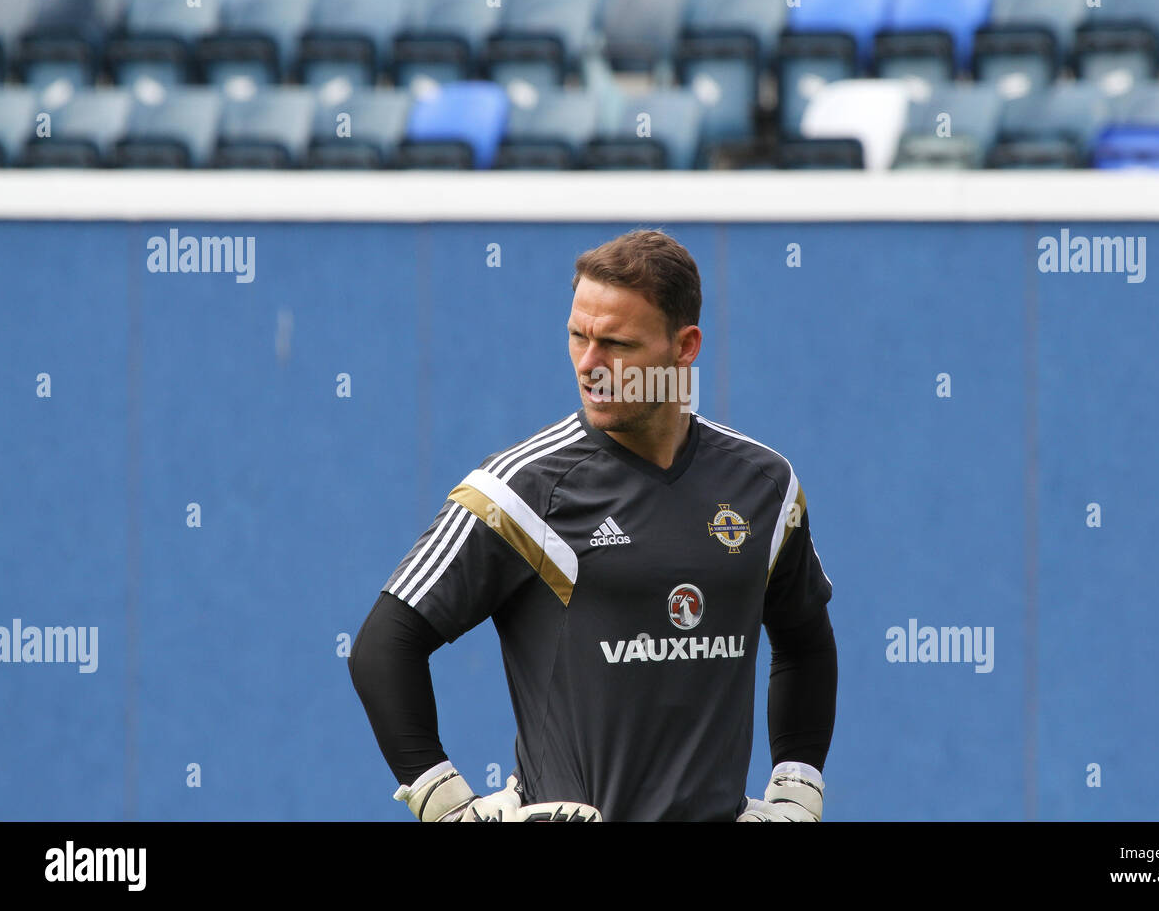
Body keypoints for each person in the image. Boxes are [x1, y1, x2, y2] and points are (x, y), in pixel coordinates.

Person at [348, 229, 837, 822]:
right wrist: (445, 805)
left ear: (685, 347)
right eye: (578, 337)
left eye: (616, 344)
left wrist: (798, 787)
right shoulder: (522, 489)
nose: (589, 365)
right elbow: (382, 647)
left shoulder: (765, 486)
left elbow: (804, 640)